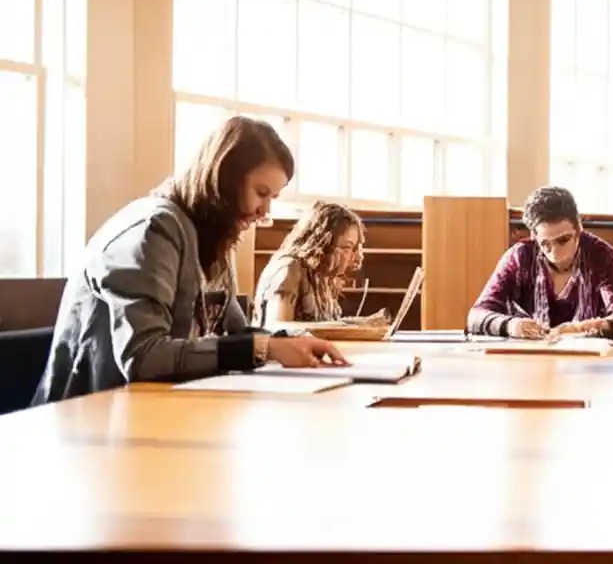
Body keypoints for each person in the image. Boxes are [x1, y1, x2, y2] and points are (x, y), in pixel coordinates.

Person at [31, 116, 347, 406]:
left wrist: (288, 340)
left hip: (153, 410)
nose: (265, 211)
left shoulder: (213, 236)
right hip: (85, 420)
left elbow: (232, 333)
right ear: (224, 179)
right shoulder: (152, 230)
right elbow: (143, 357)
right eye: (261, 193)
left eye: (272, 198)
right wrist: (265, 349)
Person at [467, 186, 613, 339]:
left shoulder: (600, 255)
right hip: (530, 365)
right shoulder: (520, 257)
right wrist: (510, 326)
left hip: (590, 365)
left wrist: (587, 328)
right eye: (545, 244)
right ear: (534, 237)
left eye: (563, 240)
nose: (556, 253)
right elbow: (476, 315)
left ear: (579, 229)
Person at [252, 201, 388, 331]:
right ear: (321, 244)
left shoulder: (322, 276)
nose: (357, 257)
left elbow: (324, 324)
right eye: (347, 247)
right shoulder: (288, 268)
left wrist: (363, 323)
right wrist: (344, 327)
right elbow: (278, 327)